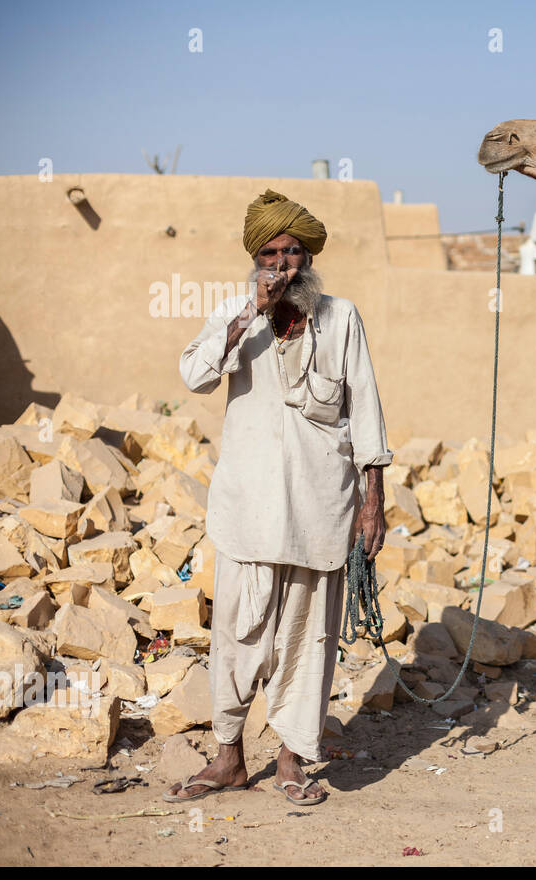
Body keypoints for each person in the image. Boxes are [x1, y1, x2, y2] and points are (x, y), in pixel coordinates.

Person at [168, 189, 392, 805]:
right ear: (255, 260)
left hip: (322, 508)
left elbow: (366, 408)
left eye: (293, 253)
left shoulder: (341, 317)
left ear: (308, 258)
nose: (282, 266)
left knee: (306, 639)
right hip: (247, 510)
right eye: (270, 254)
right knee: (237, 636)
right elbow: (193, 375)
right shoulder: (232, 316)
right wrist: (246, 317)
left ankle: (291, 761)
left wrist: (373, 500)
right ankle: (229, 758)